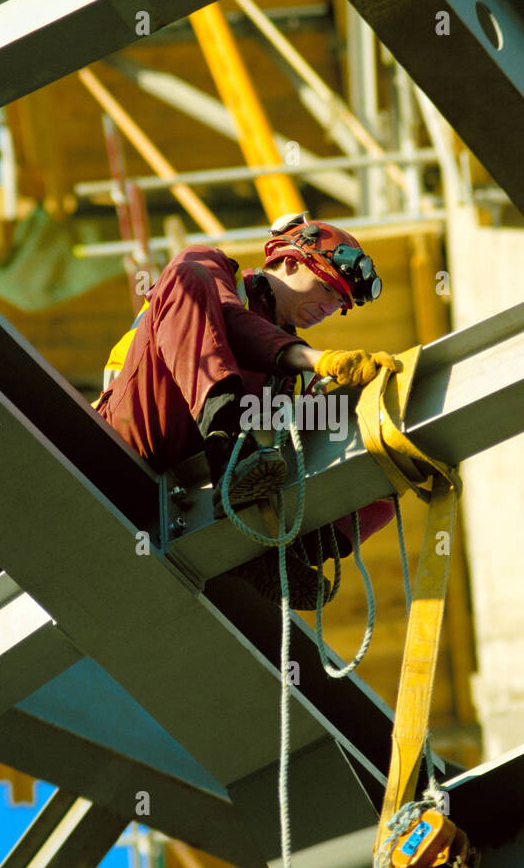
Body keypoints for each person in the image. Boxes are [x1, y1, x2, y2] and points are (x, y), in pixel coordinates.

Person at [96, 211, 398, 606]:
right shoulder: (215, 273)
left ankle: (272, 553)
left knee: (374, 461)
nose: (330, 308)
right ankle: (226, 450)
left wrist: (373, 418)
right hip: (136, 428)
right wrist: (312, 358)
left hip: (199, 471)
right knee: (190, 272)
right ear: (290, 261)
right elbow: (236, 325)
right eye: (327, 289)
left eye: (340, 303)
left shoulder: (292, 381)